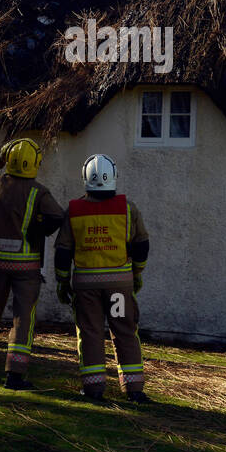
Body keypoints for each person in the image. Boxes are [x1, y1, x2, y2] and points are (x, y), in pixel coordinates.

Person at [54, 154, 153, 403]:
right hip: (119, 287)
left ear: (85, 177)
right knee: (124, 331)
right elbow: (141, 245)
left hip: (86, 288)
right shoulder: (128, 209)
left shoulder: (74, 210)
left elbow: (63, 252)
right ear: (114, 176)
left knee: (90, 333)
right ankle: (134, 390)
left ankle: (94, 389)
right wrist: (137, 273)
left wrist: (62, 281)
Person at [0, 138, 64, 389]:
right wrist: (37, 229)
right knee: (22, 319)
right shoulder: (38, 192)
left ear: (8, 161)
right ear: (35, 163)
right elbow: (57, 216)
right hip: (26, 267)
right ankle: (14, 374)